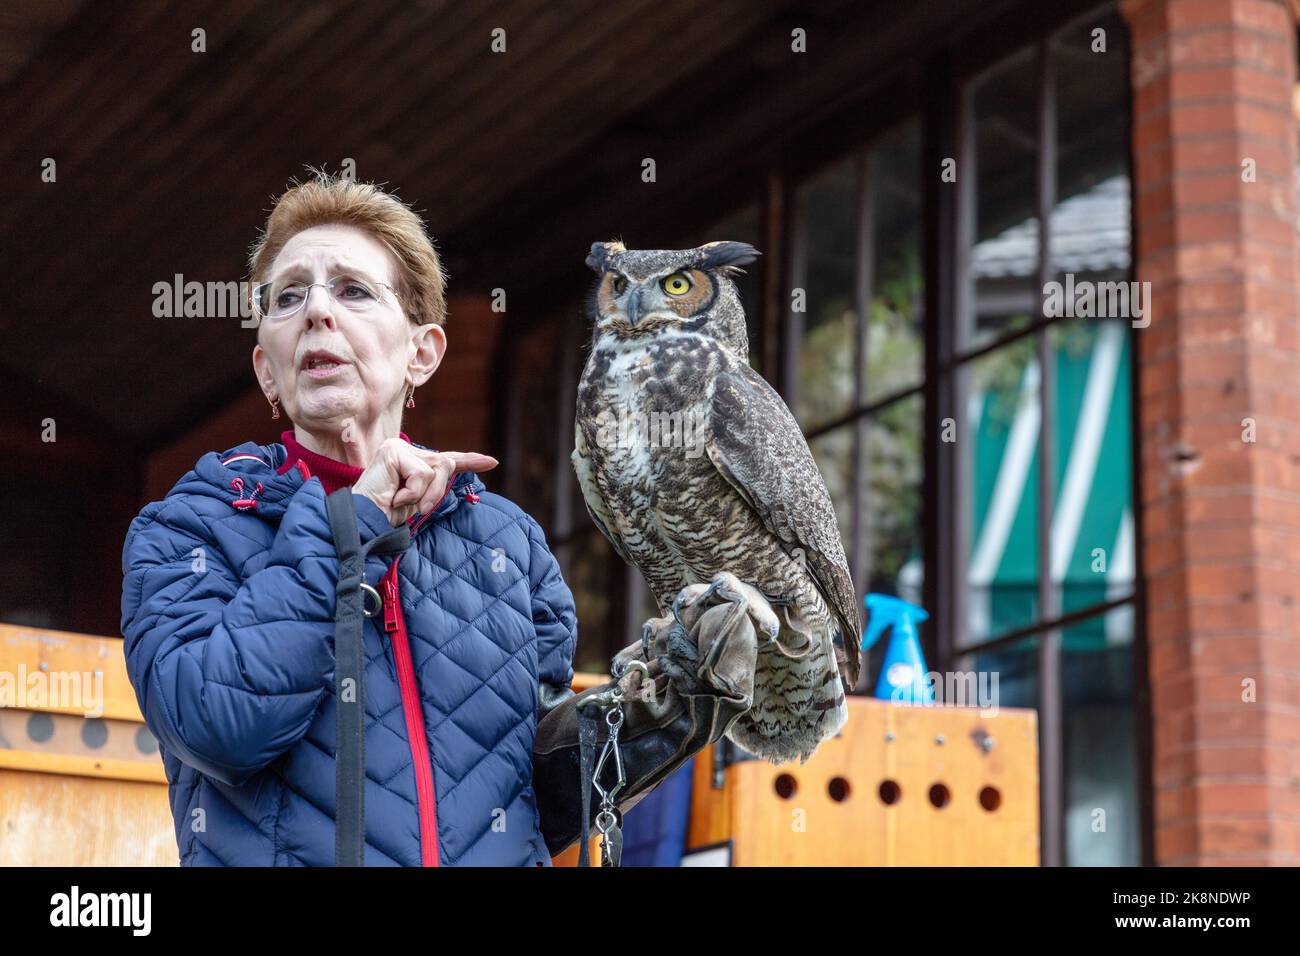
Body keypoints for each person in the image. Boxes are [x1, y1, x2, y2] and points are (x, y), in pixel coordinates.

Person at [121, 170, 761, 868]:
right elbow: (217, 724)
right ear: (267, 371)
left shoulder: (508, 545)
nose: (316, 312)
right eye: (289, 296)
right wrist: (352, 522)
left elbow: (526, 803)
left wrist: (648, 721)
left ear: (422, 355)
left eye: (354, 290)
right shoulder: (190, 527)